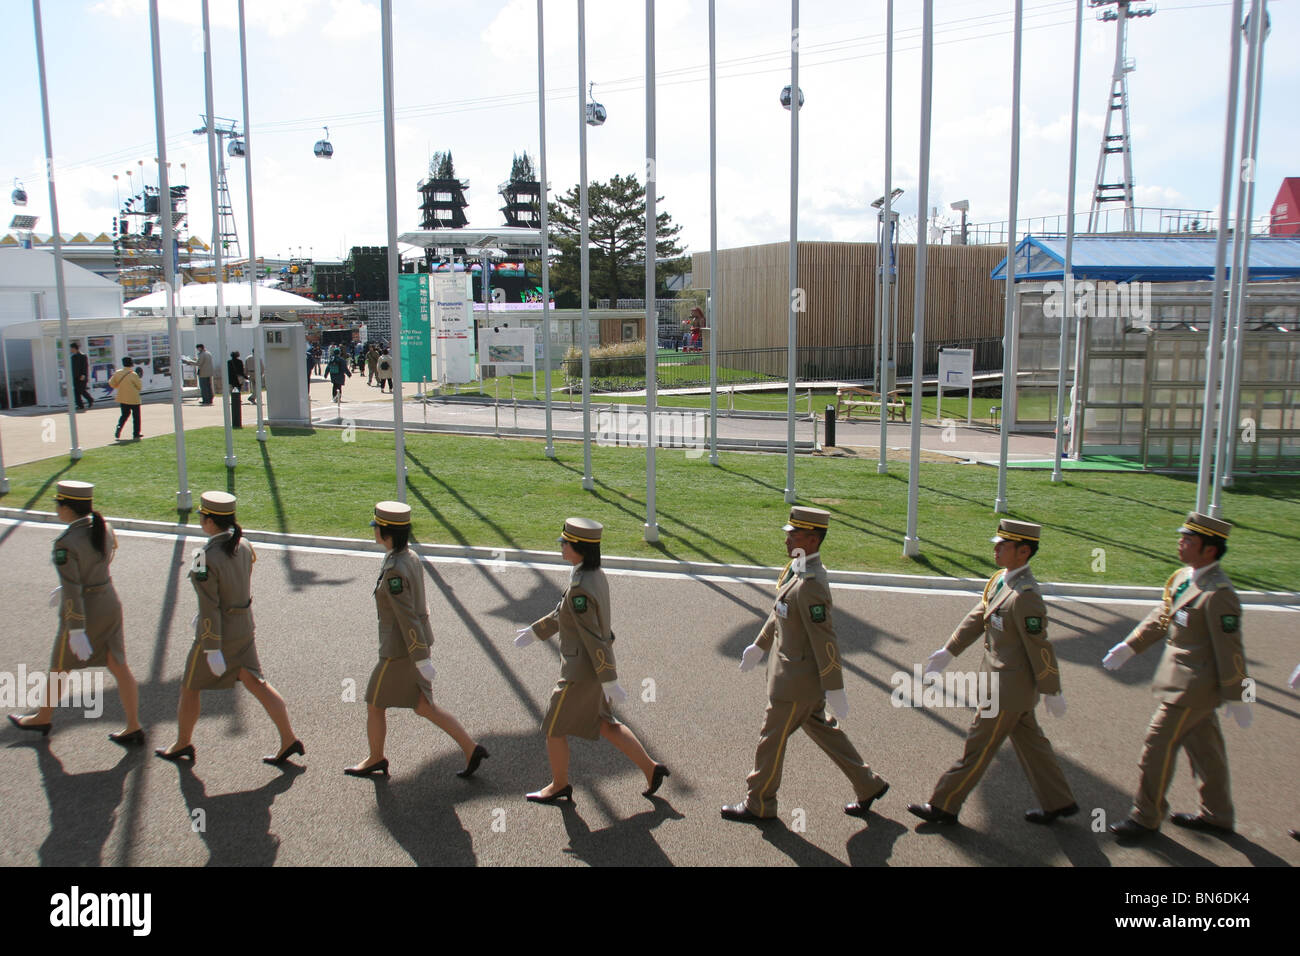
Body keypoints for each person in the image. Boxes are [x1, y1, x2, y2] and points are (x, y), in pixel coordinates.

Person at [722, 506, 888, 822]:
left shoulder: (810, 585)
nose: (786, 539)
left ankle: (759, 802)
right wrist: (759, 645)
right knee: (823, 731)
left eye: (793, 534)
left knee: (770, 741)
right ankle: (867, 783)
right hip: (798, 681)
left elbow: (825, 640)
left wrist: (835, 687)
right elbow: (779, 612)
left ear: (811, 540)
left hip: (796, 684)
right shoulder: (796, 571)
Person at [906, 519, 1076, 826]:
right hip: (1004, 684)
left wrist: (1052, 690)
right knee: (1032, 745)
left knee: (977, 747)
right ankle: (1059, 801)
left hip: (1009, 690)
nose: (995, 549)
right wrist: (950, 650)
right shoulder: (1001, 579)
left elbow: (1041, 648)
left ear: (1023, 552)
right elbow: (979, 616)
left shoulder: (1026, 597)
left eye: (1003, 545)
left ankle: (943, 805)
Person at [1104, 512, 1250, 841]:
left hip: (1193, 687)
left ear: (1210, 550)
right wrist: (1130, 646)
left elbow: (1231, 650)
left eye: (1188, 541)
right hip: (1182, 681)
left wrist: (1239, 696)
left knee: (1156, 748)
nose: (1180, 544)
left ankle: (1145, 817)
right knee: (1206, 751)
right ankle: (1218, 814)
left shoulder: (1219, 594)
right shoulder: (1185, 576)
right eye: (1181, 537)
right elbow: (1163, 614)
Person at [514, 518, 668, 804]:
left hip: (581, 672)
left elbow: (593, 637)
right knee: (605, 724)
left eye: (565, 543)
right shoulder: (591, 576)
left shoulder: (581, 587)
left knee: (552, 727)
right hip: (595, 670)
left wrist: (610, 679)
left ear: (579, 548)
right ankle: (650, 768)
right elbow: (564, 614)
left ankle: (559, 784)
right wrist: (536, 632)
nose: (561, 546)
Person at [155, 491, 304, 765]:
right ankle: (288, 738)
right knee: (256, 682)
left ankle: (182, 742)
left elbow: (209, 604)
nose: (200, 520)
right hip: (244, 626)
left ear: (210, 521)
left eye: (202, 516)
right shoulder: (245, 545)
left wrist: (211, 645)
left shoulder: (202, 555)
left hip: (217, 632)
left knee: (190, 687)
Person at [344, 501, 488, 779]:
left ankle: (375, 758)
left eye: (378, 528)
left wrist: (419, 657)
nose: (375, 532)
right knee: (423, 706)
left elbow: (406, 617)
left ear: (386, 533)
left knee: (375, 703)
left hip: (400, 651)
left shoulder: (395, 569)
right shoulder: (407, 557)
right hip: (414, 646)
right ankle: (471, 748)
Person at [7, 481, 143, 744]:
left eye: (59, 504)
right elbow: (105, 559)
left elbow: (72, 591)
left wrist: (77, 629)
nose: (57, 509)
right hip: (108, 600)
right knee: (118, 665)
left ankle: (42, 717)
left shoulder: (65, 543)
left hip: (85, 608)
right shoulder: (103, 527)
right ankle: (134, 725)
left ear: (68, 508)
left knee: (59, 666)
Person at [108, 357, 143, 441]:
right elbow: (139, 386)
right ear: (131, 364)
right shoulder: (133, 374)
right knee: (136, 417)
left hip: (122, 398)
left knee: (124, 415)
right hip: (134, 398)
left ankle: (118, 429)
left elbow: (111, 383)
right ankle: (136, 434)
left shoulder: (118, 373)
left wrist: (118, 386)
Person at [69, 341, 93, 411]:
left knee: (82, 390)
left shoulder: (83, 356)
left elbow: (85, 366)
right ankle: (80, 405)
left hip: (82, 376)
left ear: (74, 348)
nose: (70, 350)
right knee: (76, 391)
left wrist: (84, 375)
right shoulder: (73, 357)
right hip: (75, 376)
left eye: (71, 348)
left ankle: (90, 399)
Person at [227, 351, 246, 428]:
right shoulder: (240, 362)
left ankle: (233, 399)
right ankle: (237, 399)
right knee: (238, 389)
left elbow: (227, 371)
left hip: (231, 379)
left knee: (232, 390)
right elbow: (241, 371)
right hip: (238, 379)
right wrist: (244, 377)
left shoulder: (228, 362)